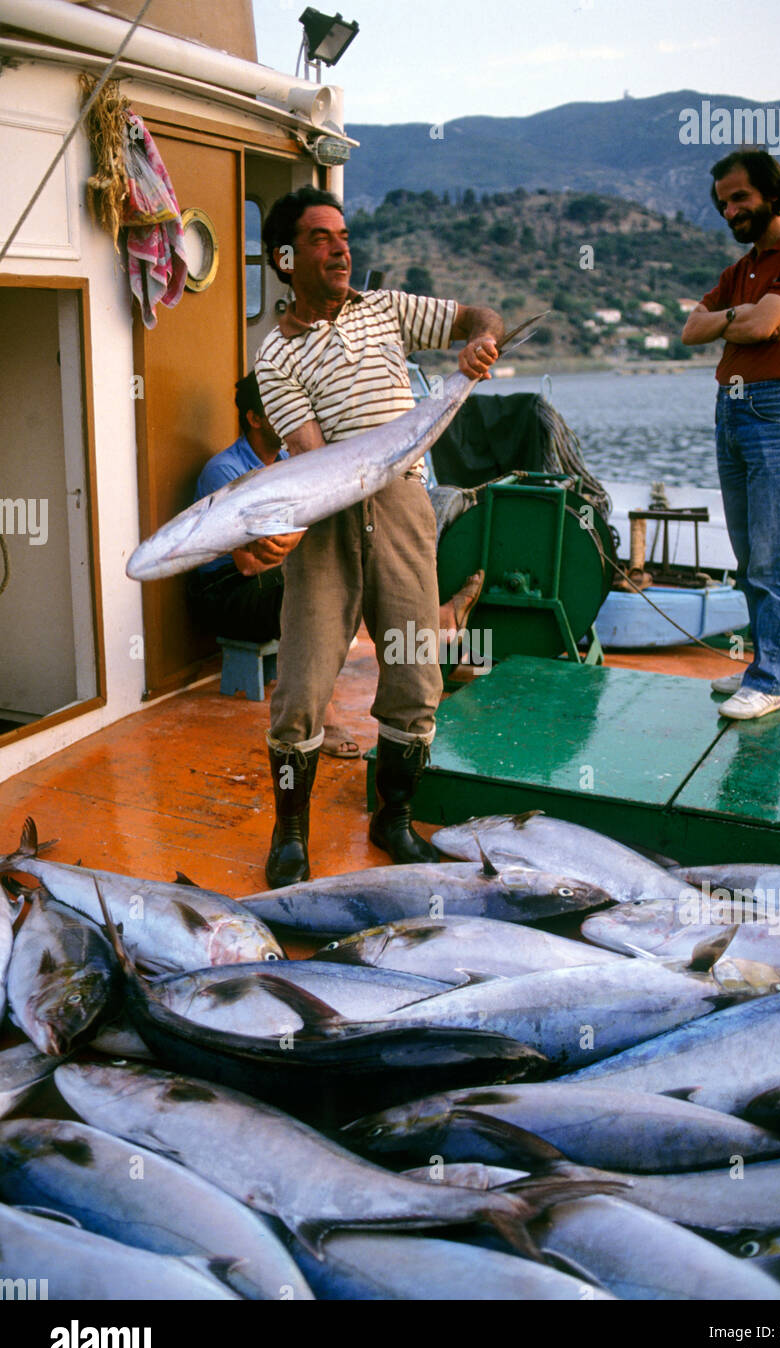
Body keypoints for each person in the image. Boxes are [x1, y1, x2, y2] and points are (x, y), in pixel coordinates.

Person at [254, 185, 503, 886]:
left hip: (400, 507)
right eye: (320, 239)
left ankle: (391, 819)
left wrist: (482, 338)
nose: (340, 248)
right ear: (283, 257)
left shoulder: (386, 310)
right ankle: (291, 832)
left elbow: (477, 315)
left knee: (416, 676)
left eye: (343, 236)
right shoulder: (273, 356)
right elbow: (312, 453)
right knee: (300, 687)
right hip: (328, 514)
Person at [682, 149, 780, 720]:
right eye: (723, 202)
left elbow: (767, 323)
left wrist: (747, 318)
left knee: (770, 554)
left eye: (740, 197)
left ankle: (768, 677)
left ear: (771, 193)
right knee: (749, 553)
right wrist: (741, 314)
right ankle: (779, 668)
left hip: (775, 409)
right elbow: (690, 329)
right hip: (732, 408)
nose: (730, 210)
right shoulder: (740, 270)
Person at [186, 372, 359, 755]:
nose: (292, 415)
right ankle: (322, 714)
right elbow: (247, 563)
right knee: (313, 581)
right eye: (280, 407)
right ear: (255, 418)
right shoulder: (225, 471)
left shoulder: (285, 461)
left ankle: (440, 622)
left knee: (351, 559)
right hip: (226, 593)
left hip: (270, 577)